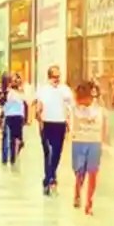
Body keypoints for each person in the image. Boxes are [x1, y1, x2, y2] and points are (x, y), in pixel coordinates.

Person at [34, 65, 74, 196]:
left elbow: (70, 107)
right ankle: (50, 178)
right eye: (54, 77)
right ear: (49, 77)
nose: (56, 79)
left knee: (57, 152)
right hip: (47, 123)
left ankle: (49, 177)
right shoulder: (43, 90)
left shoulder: (65, 90)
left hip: (60, 123)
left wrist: (69, 122)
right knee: (48, 152)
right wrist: (39, 121)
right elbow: (38, 107)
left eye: (58, 76)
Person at [69, 81, 105, 215]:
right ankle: (77, 191)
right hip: (79, 141)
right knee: (79, 171)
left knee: (93, 173)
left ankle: (89, 202)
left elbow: (103, 124)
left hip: (94, 142)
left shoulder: (98, 107)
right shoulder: (75, 107)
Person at [1, 75, 27, 166]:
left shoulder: (18, 93)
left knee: (12, 138)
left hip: (14, 116)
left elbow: (25, 105)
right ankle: (9, 159)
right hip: (13, 116)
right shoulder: (11, 92)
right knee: (11, 138)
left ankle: (10, 158)